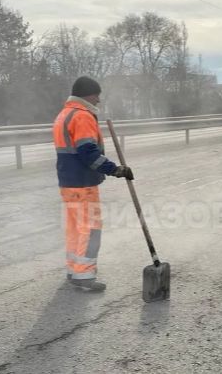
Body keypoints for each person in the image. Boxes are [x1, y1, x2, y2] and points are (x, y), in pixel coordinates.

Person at [52, 76, 134, 292]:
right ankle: (85, 276)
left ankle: (74, 269)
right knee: (90, 229)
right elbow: (88, 152)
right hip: (83, 184)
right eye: (96, 95)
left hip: (68, 183)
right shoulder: (82, 116)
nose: (98, 99)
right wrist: (115, 169)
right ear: (87, 95)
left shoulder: (64, 114)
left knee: (75, 228)